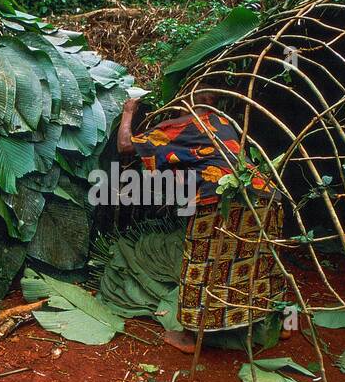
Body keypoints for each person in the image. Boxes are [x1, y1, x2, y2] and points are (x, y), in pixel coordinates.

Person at [117, 93, 286, 354]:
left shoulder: (178, 127)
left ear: (186, 103)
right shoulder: (221, 121)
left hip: (219, 198)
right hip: (264, 193)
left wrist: (129, 110)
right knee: (261, 259)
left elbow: (125, 145)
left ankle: (190, 336)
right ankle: (282, 323)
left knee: (201, 263)